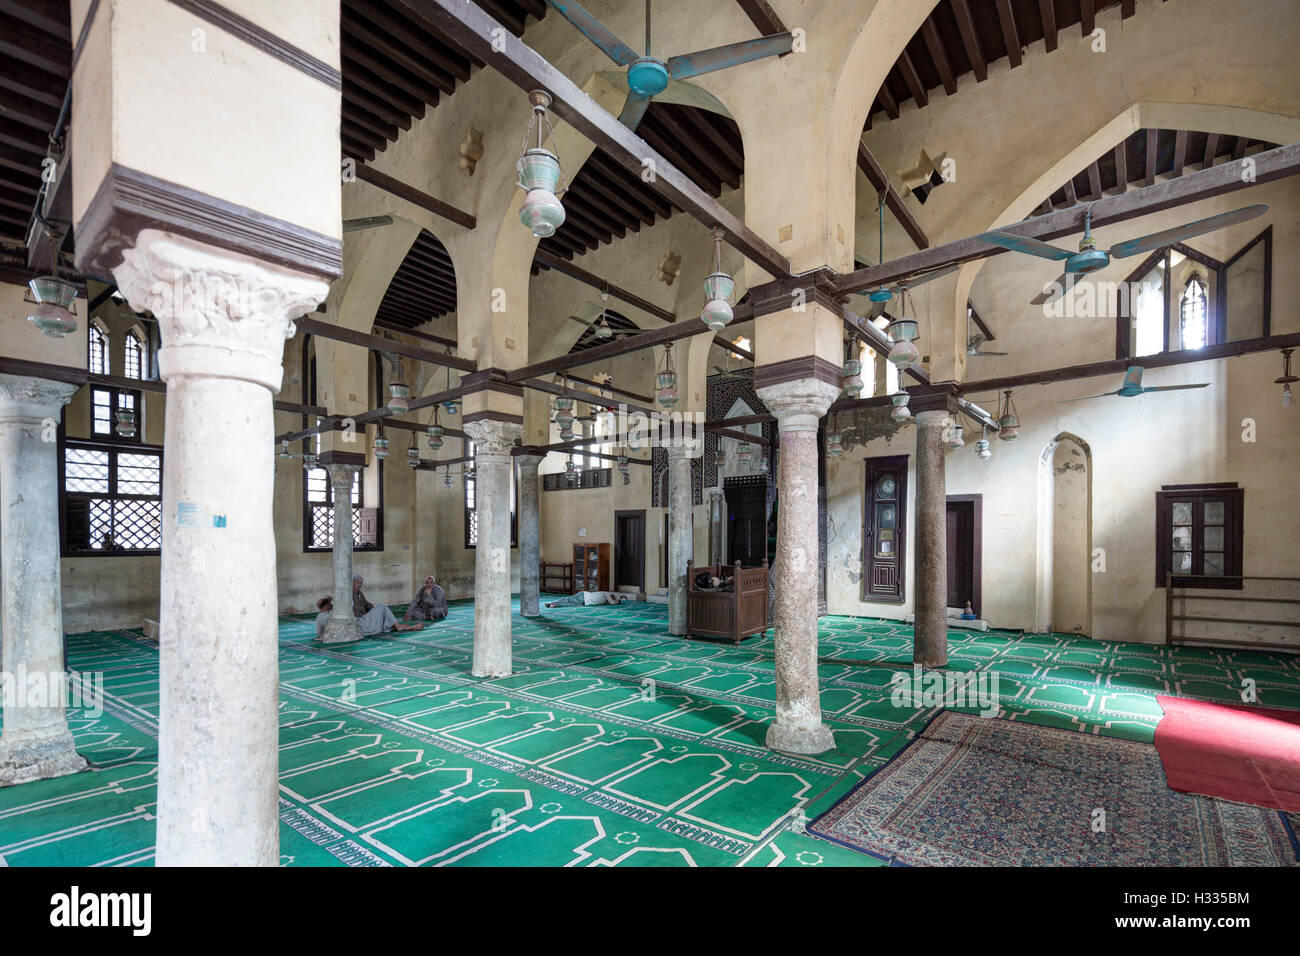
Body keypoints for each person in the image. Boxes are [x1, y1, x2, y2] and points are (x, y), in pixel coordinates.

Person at [351, 575, 420, 634]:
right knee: (381, 605)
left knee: (383, 615)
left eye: (361, 583)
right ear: (352, 583)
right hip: (360, 622)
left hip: (365, 620)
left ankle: (407, 627)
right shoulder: (349, 595)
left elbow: (368, 606)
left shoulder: (359, 593)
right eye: (358, 583)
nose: (360, 585)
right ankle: (398, 626)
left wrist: (378, 613)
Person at [545, 590, 630, 608]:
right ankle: (554, 604)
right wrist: (618, 601)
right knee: (569, 601)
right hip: (584, 597)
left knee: (570, 601)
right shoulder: (607, 594)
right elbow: (613, 603)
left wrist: (620, 597)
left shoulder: (606, 598)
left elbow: (610, 601)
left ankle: (553, 603)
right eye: (614, 597)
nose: (613, 598)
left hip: (584, 599)